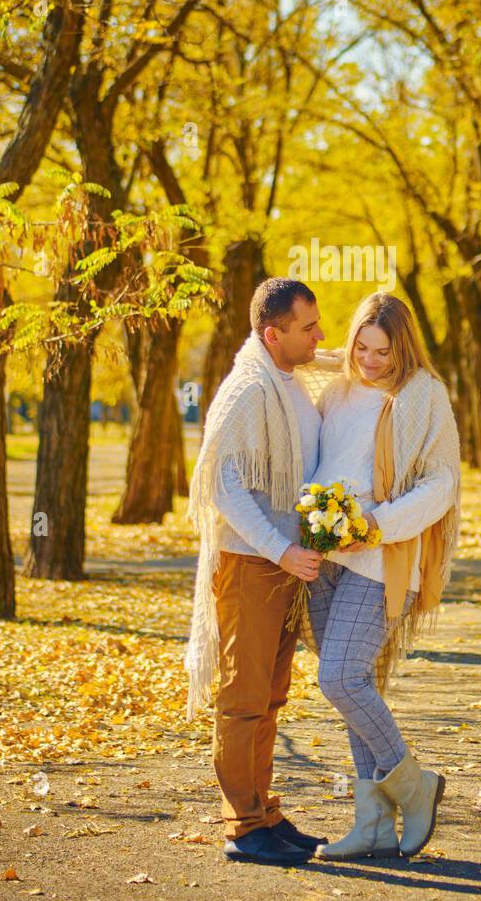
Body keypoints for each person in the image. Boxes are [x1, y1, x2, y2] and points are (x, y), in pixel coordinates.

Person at [304, 292, 461, 860]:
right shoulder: (338, 389)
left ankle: (414, 786)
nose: (370, 360)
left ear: (404, 348)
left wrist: (375, 523)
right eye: (361, 348)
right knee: (355, 690)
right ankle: (371, 824)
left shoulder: (423, 395)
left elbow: (440, 484)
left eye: (383, 351)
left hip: (380, 555)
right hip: (323, 555)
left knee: (341, 678)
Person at [183, 277, 329, 867]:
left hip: (283, 565)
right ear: (273, 334)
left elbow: (334, 360)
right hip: (251, 563)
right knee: (243, 697)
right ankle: (241, 826)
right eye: (308, 327)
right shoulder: (247, 391)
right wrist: (281, 550)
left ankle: (264, 810)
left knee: (271, 695)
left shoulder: (289, 378)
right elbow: (224, 486)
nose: (320, 335)